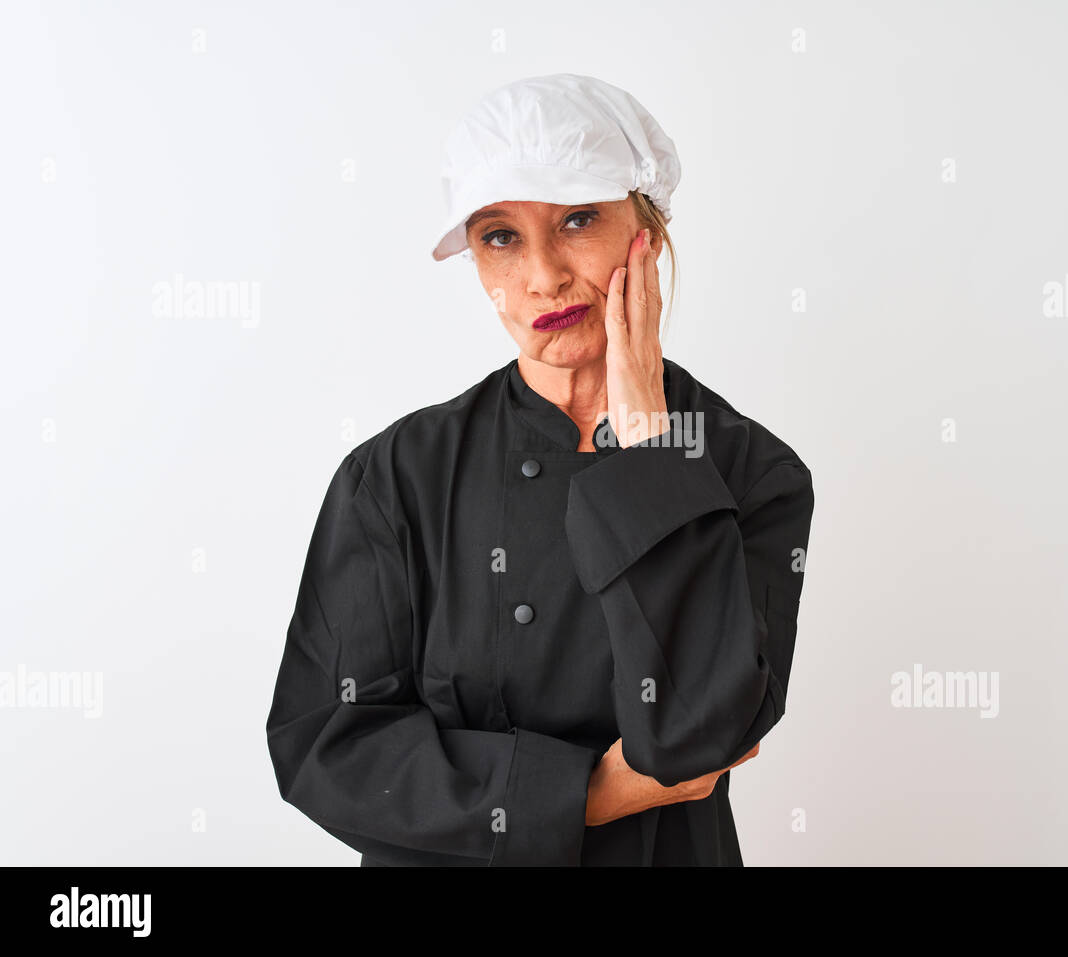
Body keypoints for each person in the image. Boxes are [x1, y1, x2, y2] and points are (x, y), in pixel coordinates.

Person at [265, 73, 814, 865]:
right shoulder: (394, 475)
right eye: (500, 236)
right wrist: (586, 793)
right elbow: (326, 743)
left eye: (579, 220)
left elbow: (698, 735)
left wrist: (649, 446)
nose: (543, 275)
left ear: (647, 234)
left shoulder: (750, 470)